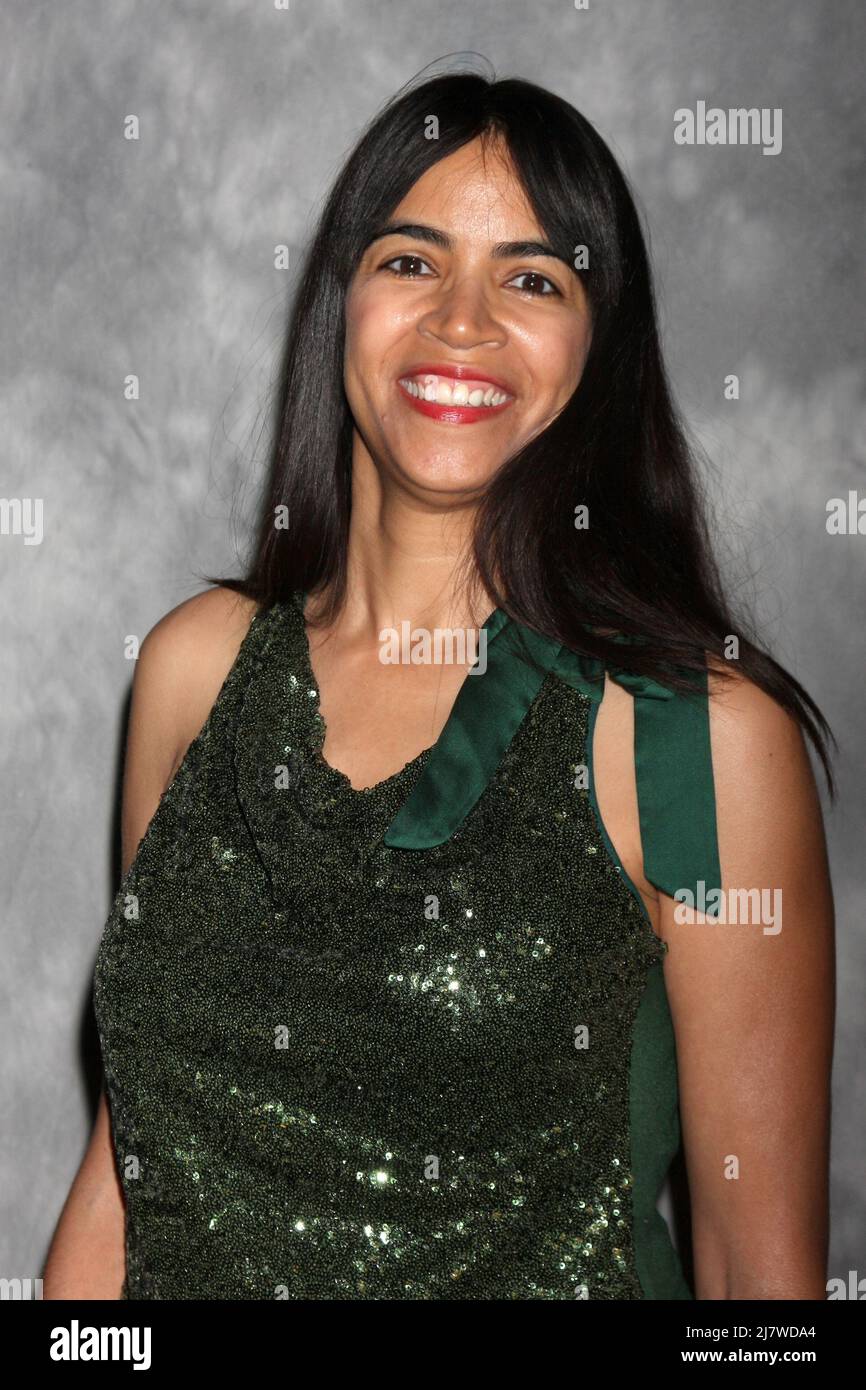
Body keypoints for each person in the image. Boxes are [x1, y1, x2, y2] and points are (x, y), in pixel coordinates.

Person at [44, 71, 835, 1300]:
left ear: (600, 345)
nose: (460, 322)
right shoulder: (192, 670)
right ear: (340, 304)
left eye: (532, 279)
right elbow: (124, 1171)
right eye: (410, 261)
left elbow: (759, 1284)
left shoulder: (698, 741)